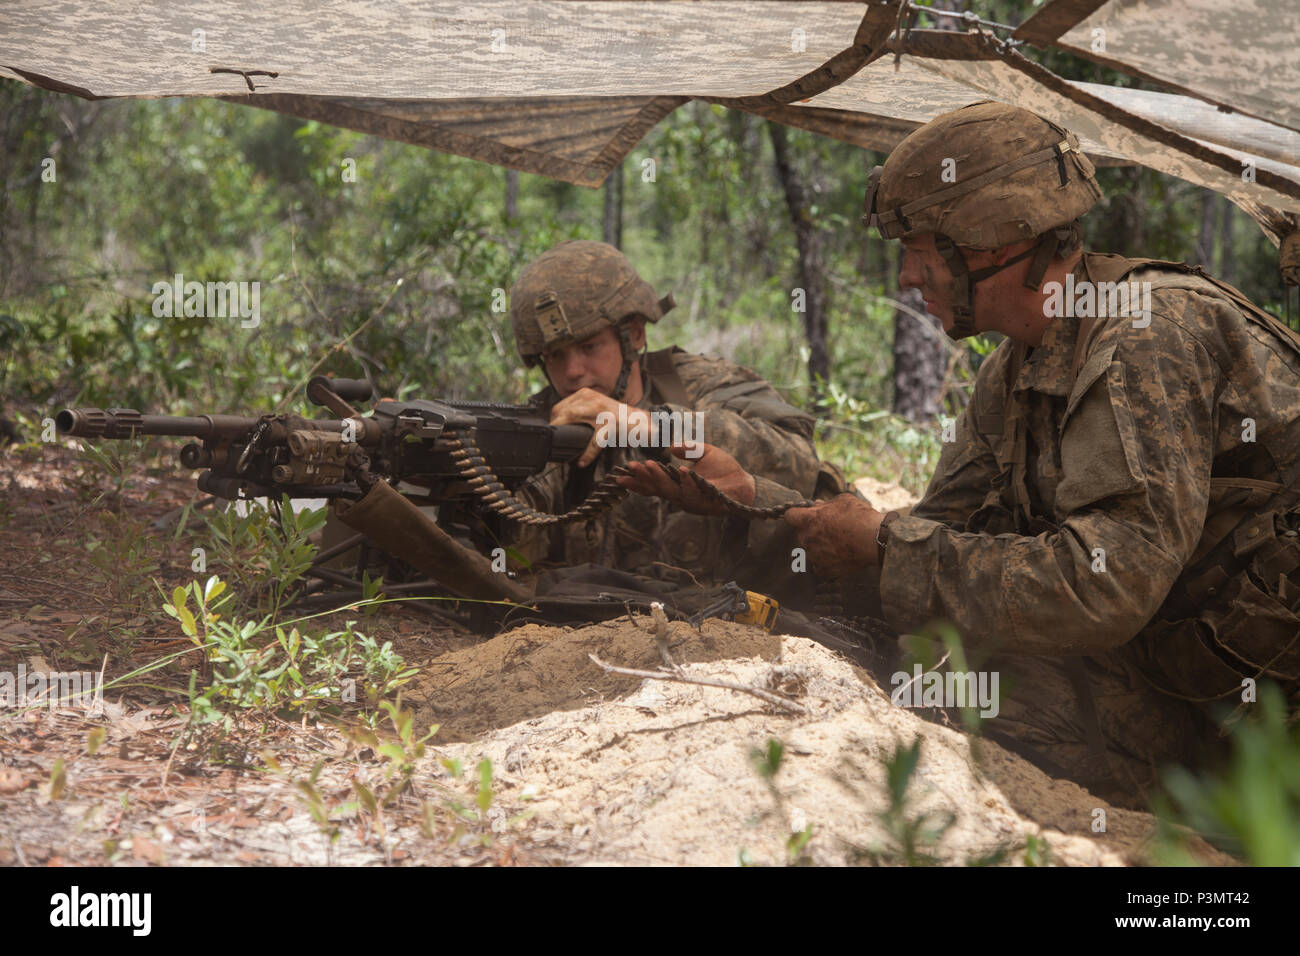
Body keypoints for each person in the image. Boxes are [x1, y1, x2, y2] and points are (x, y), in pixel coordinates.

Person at [617, 101, 1300, 807]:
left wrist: (887, 549)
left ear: (989, 239)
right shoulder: (1014, 372)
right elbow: (933, 534)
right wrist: (753, 499)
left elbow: (1105, 588)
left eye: (918, 249)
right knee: (922, 670)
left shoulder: (1148, 334)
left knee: (968, 697)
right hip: (1193, 682)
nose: (908, 279)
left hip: (1261, 713)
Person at [504, 239, 843, 597]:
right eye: (555, 356)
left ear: (634, 333)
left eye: (590, 347)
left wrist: (653, 426)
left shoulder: (702, 384)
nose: (572, 372)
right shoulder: (540, 426)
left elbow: (799, 459)